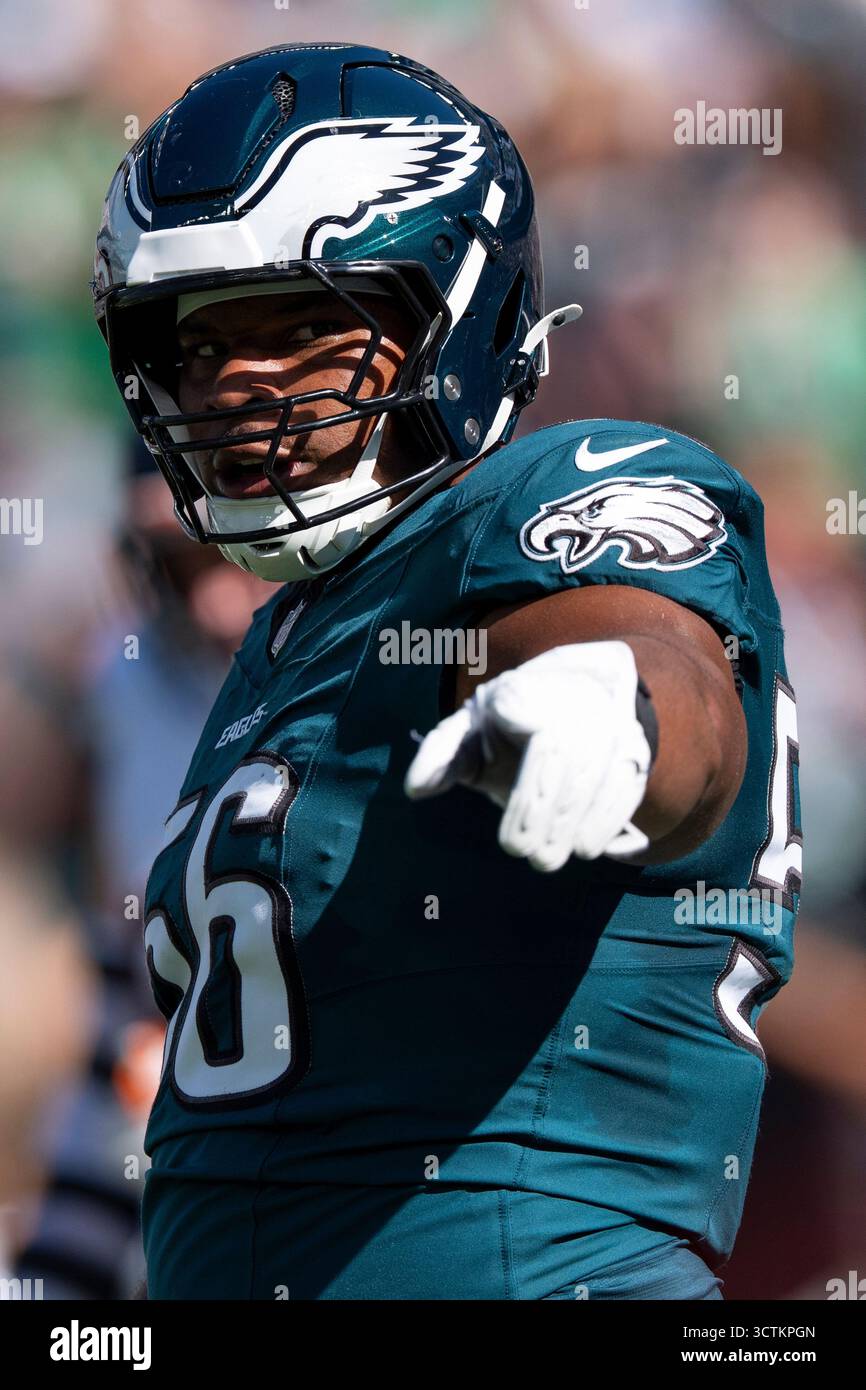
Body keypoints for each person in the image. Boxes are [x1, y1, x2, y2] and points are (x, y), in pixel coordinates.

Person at [92, 42, 802, 1300]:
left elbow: (657, 661)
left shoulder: (541, 491)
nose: (234, 380)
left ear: (450, 319)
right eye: (197, 343)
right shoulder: (284, 636)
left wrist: (610, 710)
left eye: (301, 327)